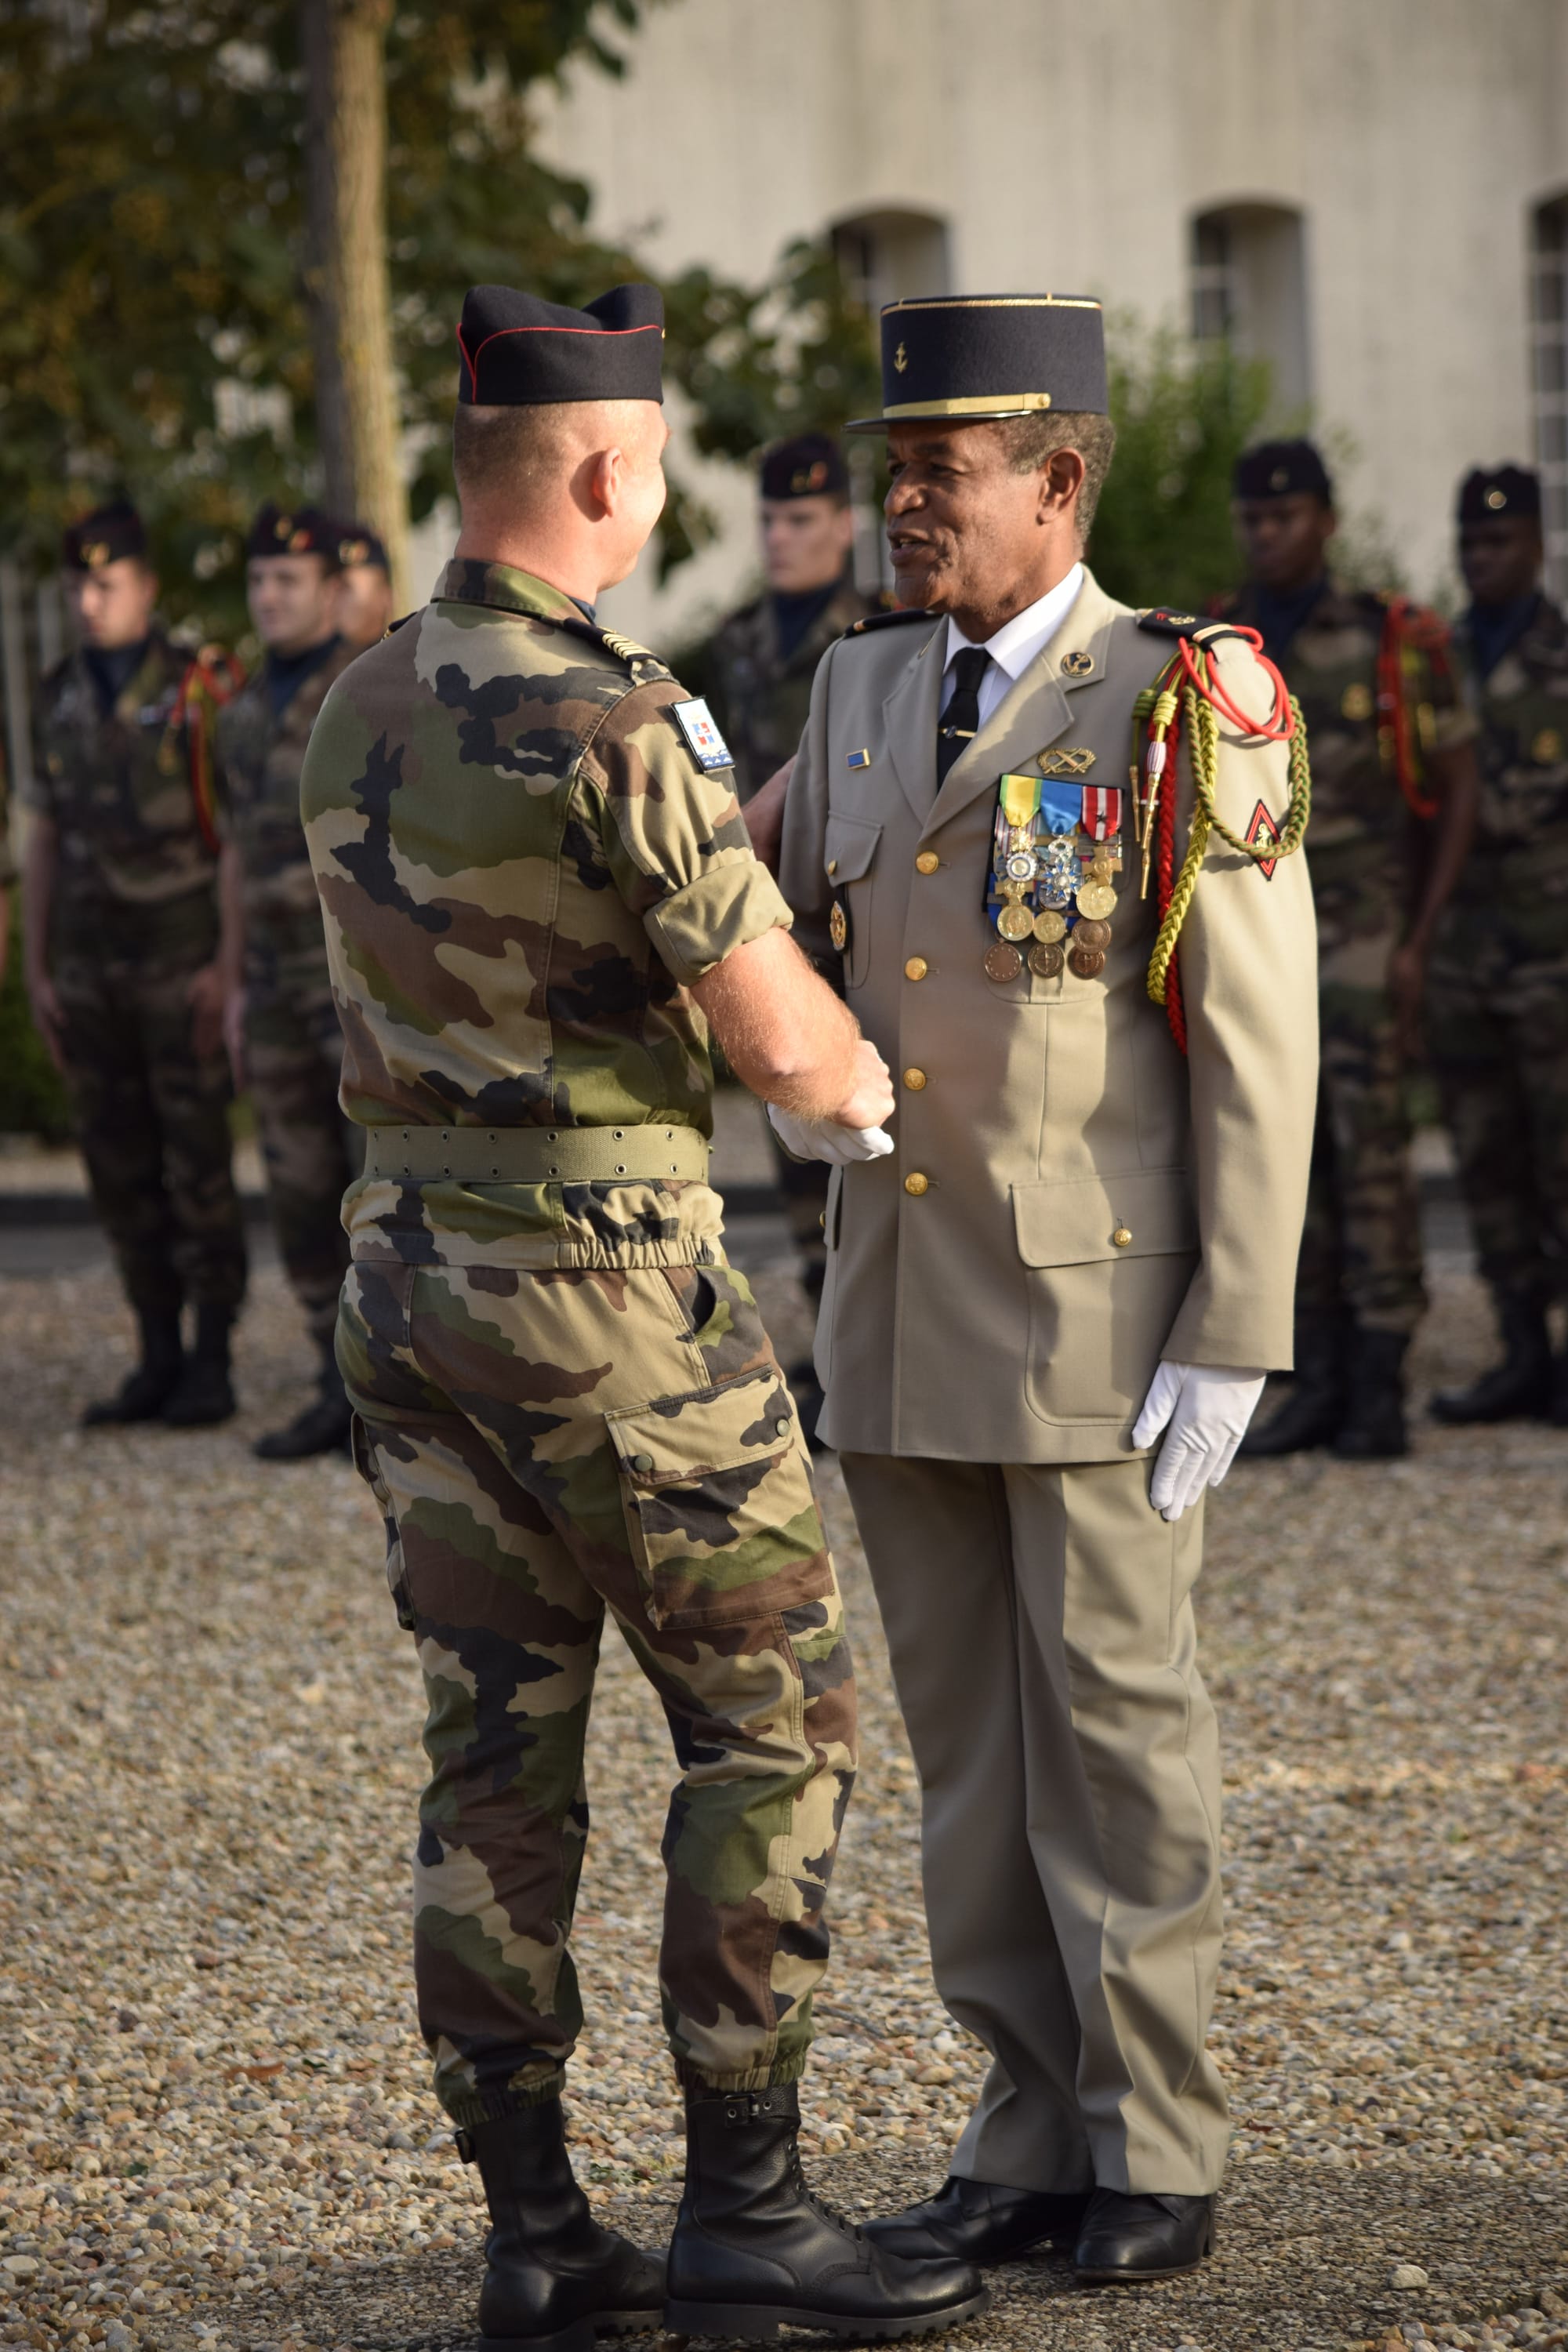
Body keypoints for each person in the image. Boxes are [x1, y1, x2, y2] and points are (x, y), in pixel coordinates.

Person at [299, 280, 984, 2350]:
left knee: (494, 1762)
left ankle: (533, 2234)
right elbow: (780, 1044)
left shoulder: (363, 696)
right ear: (600, 470)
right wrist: (867, 1083)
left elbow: (487, 937)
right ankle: (749, 2211)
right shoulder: (619, 711)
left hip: (410, 1290)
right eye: (655, 469)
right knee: (772, 1724)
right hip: (611, 1304)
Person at [759, 292, 1318, 2286]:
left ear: (1056, 479)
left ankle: (1150, 2137)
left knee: (1114, 1738)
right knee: (971, 1752)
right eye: (897, 467)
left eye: (943, 472)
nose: (906, 501)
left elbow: (1256, 1036)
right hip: (899, 1306)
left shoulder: (1179, 695)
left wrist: (1234, 1328)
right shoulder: (852, 689)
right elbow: (759, 925)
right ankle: (1020, 2120)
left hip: (1092, 1323)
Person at [1215, 440, 1479, 1459]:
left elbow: (1455, 785)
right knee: (1278, 1161)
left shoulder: (1389, 640)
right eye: (1255, 518)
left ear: (1325, 521)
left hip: (1363, 940)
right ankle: (1313, 1373)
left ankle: (1379, 1380)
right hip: (1257, 940)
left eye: (1286, 517)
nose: (1269, 533)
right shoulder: (1219, 642)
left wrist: (1418, 938)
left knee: (1369, 1157)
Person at [22, 499, 247, 1426]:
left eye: (106, 583)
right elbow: (42, 832)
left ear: (146, 589)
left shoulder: (198, 689)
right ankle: (153, 1350)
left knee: (195, 1162)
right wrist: (35, 968)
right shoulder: (57, 692)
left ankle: (211, 1358)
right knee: (116, 1165)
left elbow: (233, 834)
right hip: (87, 967)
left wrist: (228, 967)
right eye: (77, 582)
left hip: (176, 959)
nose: (87, 600)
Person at [694, 434, 878, 1441]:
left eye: (800, 519)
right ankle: (827, 1340)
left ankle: (873, 1340)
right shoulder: (738, 639)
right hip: (772, 920)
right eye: (768, 519)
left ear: (843, 526)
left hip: (859, 918)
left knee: (868, 1133)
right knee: (792, 1145)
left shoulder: (882, 633)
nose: (779, 537)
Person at [213, 503, 358, 1461]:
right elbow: (230, 849)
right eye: (259, 581)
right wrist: (227, 977)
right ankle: (332, 1377)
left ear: (330, 591)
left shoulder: (369, 689)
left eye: (287, 582)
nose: (268, 598)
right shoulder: (238, 712)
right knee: (298, 1186)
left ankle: (408, 1378)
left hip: (353, 988)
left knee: (376, 1183)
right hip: (271, 986)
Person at [1426, 465, 1568, 1422]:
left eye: (1499, 542)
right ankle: (1520, 1351)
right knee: (1485, 1163)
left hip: (1551, 956)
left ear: (1537, 545)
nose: (1482, 559)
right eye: (1469, 544)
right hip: (1461, 956)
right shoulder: (1435, 659)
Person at [333, 521, 396, 649]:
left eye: (346, 588)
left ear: (385, 598)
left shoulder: (407, 663)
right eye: (333, 587)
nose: (332, 598)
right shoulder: (312, 664)